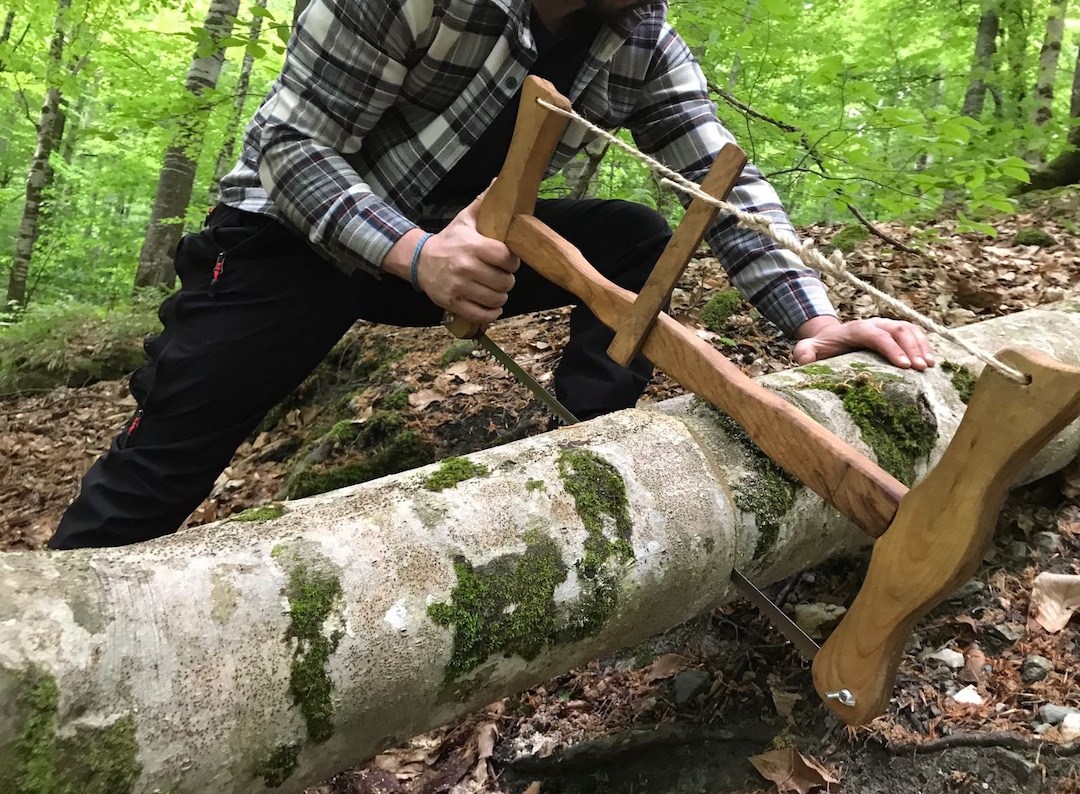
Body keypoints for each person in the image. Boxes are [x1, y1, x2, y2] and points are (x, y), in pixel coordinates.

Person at [49, 0, 934, 550]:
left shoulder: (641, 41)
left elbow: (726, 183)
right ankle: (54, 639)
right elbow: (287, 142)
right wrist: (415, 254)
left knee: (632, 237)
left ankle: (579, 456)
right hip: (289, 242)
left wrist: (811, 320)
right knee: (168, 451)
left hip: (453, 248)